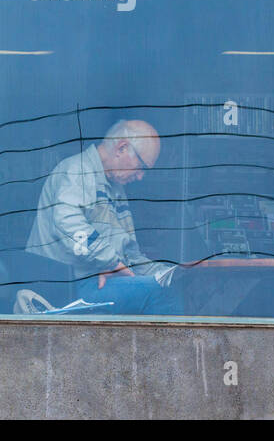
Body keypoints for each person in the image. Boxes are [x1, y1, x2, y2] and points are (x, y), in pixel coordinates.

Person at [24, 119, 181, 314]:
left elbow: (129, 254)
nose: (140, 176)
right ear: (122, 148)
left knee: (169, 286)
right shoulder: (77, 171)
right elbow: (69, 224)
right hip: (72, 286)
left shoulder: (115, 188)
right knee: (161, 295)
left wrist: (166, 274)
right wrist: (111, 263)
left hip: (98, 279)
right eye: (142, 167)